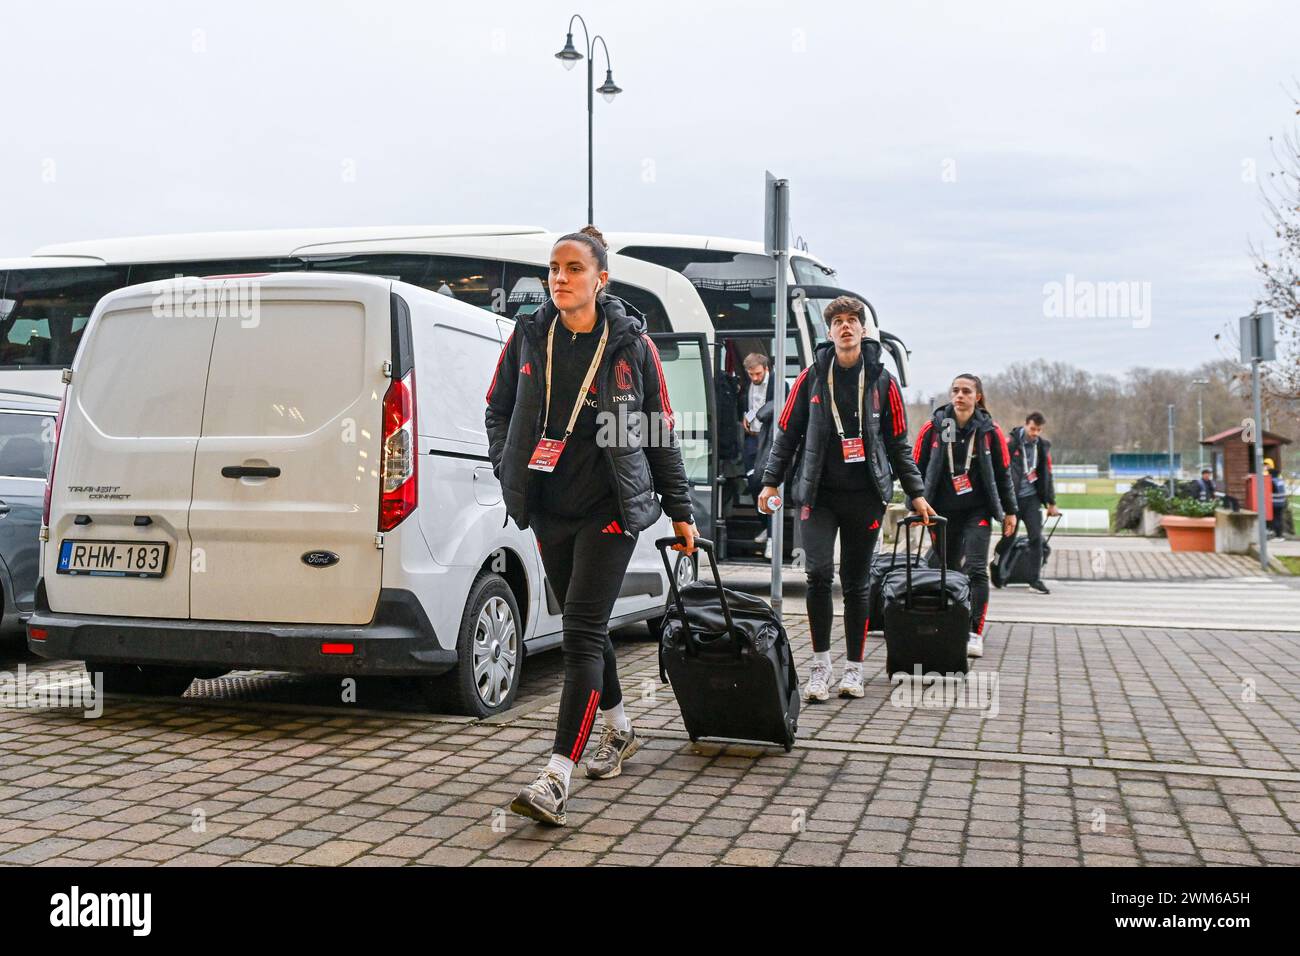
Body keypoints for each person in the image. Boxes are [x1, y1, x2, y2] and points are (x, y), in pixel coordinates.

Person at [485, 226, 697, 827]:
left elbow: (658, 431)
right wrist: (509, 467)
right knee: (589, 622)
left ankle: (556, 775)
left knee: (578, 631)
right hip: (549, 504)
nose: (559, 278)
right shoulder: (529, 337)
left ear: (601, 279)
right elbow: (497, 408)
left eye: (573, 268)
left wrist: (680, 512)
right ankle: (621, 729)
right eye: (554, 268)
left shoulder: (631, 345)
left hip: (610, 504)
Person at [758, 296, 935, 702]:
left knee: (856, 584)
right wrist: (771, 483)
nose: (845, 327)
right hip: (816, 495)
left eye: (853, 320)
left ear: (863, 329)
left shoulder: (882, 381)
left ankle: (853, 668)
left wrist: (917, 494)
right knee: (818, 575)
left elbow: (898, 444)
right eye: (838, 321)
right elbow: (785, 436)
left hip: (866, 497)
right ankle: (820, 666)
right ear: (829, 331)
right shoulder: (811, 378)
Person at [913, 374, 1018, 659]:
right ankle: (951, 622)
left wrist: (1010, 511)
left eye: (966, 391)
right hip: (941, 510)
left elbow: (1003, 473)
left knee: (975, 567)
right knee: (947, 569)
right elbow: (915, 466)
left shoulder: (988, 430)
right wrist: (916, 501)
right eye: (955, 390)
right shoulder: (935, 427)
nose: (960, 395)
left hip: (978, 510)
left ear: (978, 397)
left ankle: (974, 630)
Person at [1002, 411, 1060, 593]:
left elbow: (1047, 475)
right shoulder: (1010, 443)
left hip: (1032, 499)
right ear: (1026, 425)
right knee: (1008, 538)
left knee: (1036, 538)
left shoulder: (1042, 447)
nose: (1035, 433)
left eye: (1038, 430)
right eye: (1032, 428)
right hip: (1012, 500)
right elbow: (998, 469)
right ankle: (996, 566)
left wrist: (1051, 502)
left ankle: (1034, 580)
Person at [739, 352, 776, 558]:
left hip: (768, 440)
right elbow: (747, 406)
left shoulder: (778, 385)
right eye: (751, 374)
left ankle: (772, 537)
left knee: (767, 486)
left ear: (766, 369)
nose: (754, 377)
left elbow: (773, 408)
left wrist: (756, 415)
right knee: (753, 484)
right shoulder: (748, 386)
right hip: (751, 439)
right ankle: (766, 527)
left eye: (758, 373)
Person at [1269, 463, 1288, 539]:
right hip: (1281, 502)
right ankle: (1280, 534)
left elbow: (1270, 492)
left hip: (1275, 503)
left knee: (1275, 519)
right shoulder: (1280, 480)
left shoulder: (1271, 481)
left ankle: (1278, 535)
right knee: (1279, 518)